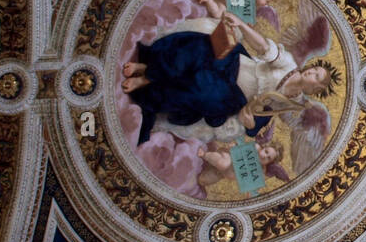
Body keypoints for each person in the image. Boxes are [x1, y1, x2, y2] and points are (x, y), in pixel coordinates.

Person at [121, 9, 332, 145]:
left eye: (316, 77)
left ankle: (148, 83)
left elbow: (258, 123)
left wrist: (249, 124)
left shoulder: (292, 104)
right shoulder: (289, 64)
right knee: (197, 50)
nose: (311, 72)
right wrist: (240, 24)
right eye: (314, 70)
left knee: (200, 91)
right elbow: (263, 47)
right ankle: (147, 71)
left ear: (314, 89)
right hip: (234, 62)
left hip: (231, 95)